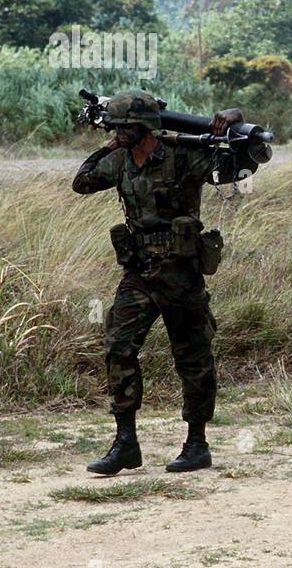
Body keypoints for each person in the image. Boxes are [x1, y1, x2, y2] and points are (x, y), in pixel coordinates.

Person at [72, 90, 243, 475]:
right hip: (139, 272)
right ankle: (125, 443)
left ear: (143, 126)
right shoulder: (119, 160)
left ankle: (197, 443)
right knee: (118, 347)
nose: (116, 132)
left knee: (192, 355)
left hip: (180, 272)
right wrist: (108, 145)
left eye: (122, 127)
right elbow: (81, 182)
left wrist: (234, 118)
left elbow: (242, 162)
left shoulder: (184, 155)